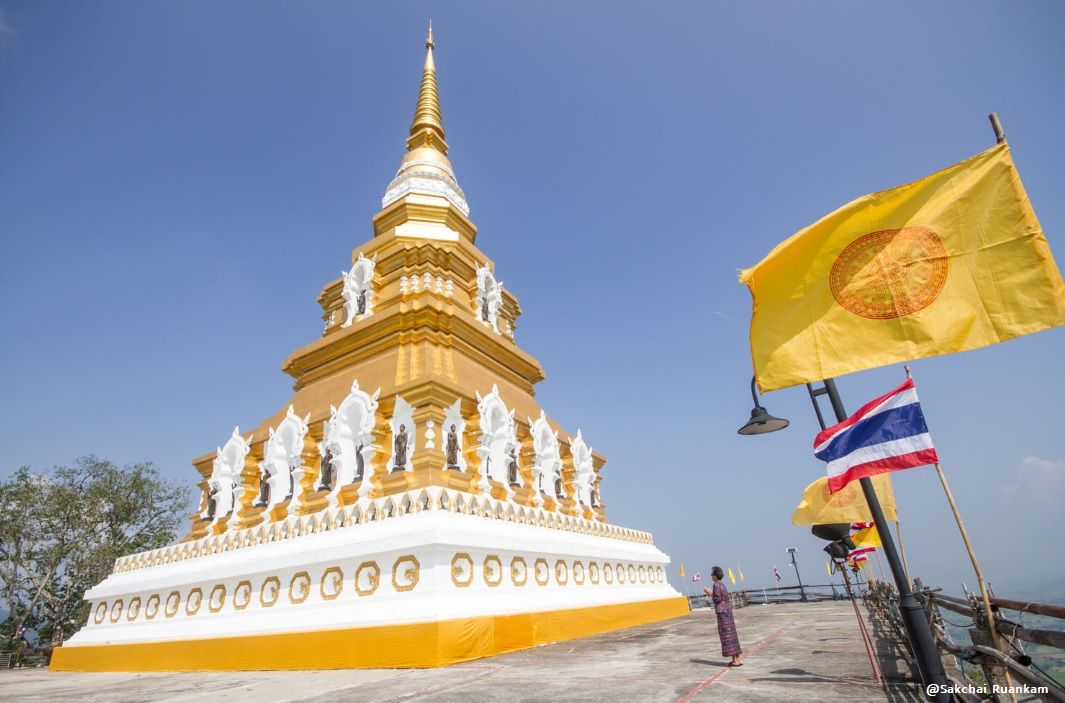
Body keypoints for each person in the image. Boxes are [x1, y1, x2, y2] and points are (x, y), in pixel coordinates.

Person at [703, 565, 743, 666]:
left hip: (722, 612)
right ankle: (738, 657)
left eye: (712, 574)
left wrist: (709, 593)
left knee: (727, 636)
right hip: (728, 612)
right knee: (732, 634)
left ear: (715, 576)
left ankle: (735, 660)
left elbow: (717, 599)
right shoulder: (723, 584)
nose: (711, 576)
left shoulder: (716, 585)